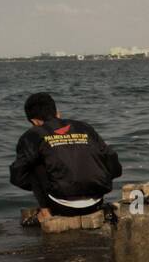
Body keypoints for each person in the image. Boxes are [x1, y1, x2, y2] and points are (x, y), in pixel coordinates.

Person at [9, 92, 121, 224]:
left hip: (62, 207)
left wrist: (46, 185)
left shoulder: (33, 134)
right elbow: (113, 163)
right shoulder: (84, 127)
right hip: (96, 201)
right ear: (58, 113)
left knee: (32, 163)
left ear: (34, 121)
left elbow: (17, 176)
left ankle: (45, 212)